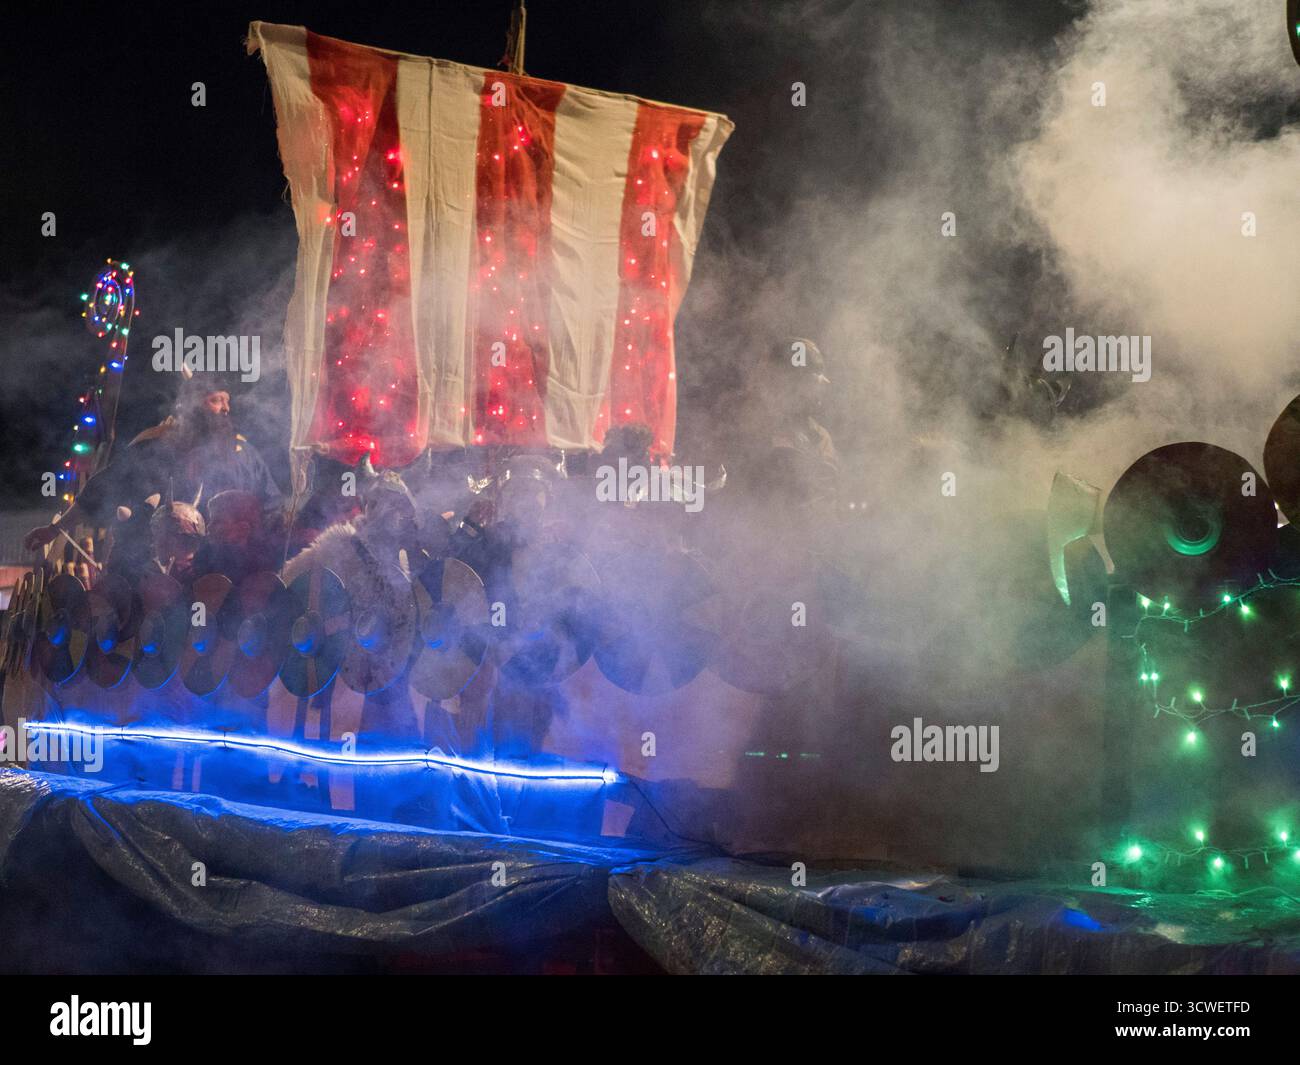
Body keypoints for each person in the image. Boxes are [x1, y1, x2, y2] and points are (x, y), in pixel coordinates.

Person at [24, 373, 283, 555]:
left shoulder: (244, 454)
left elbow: (272, 507)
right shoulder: (158, 446)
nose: (226, 408)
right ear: (193, 407)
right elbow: (102, 488)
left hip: (228, 565)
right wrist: (54, 529)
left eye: (227, 401)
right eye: (216, 400)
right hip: (156, 572)